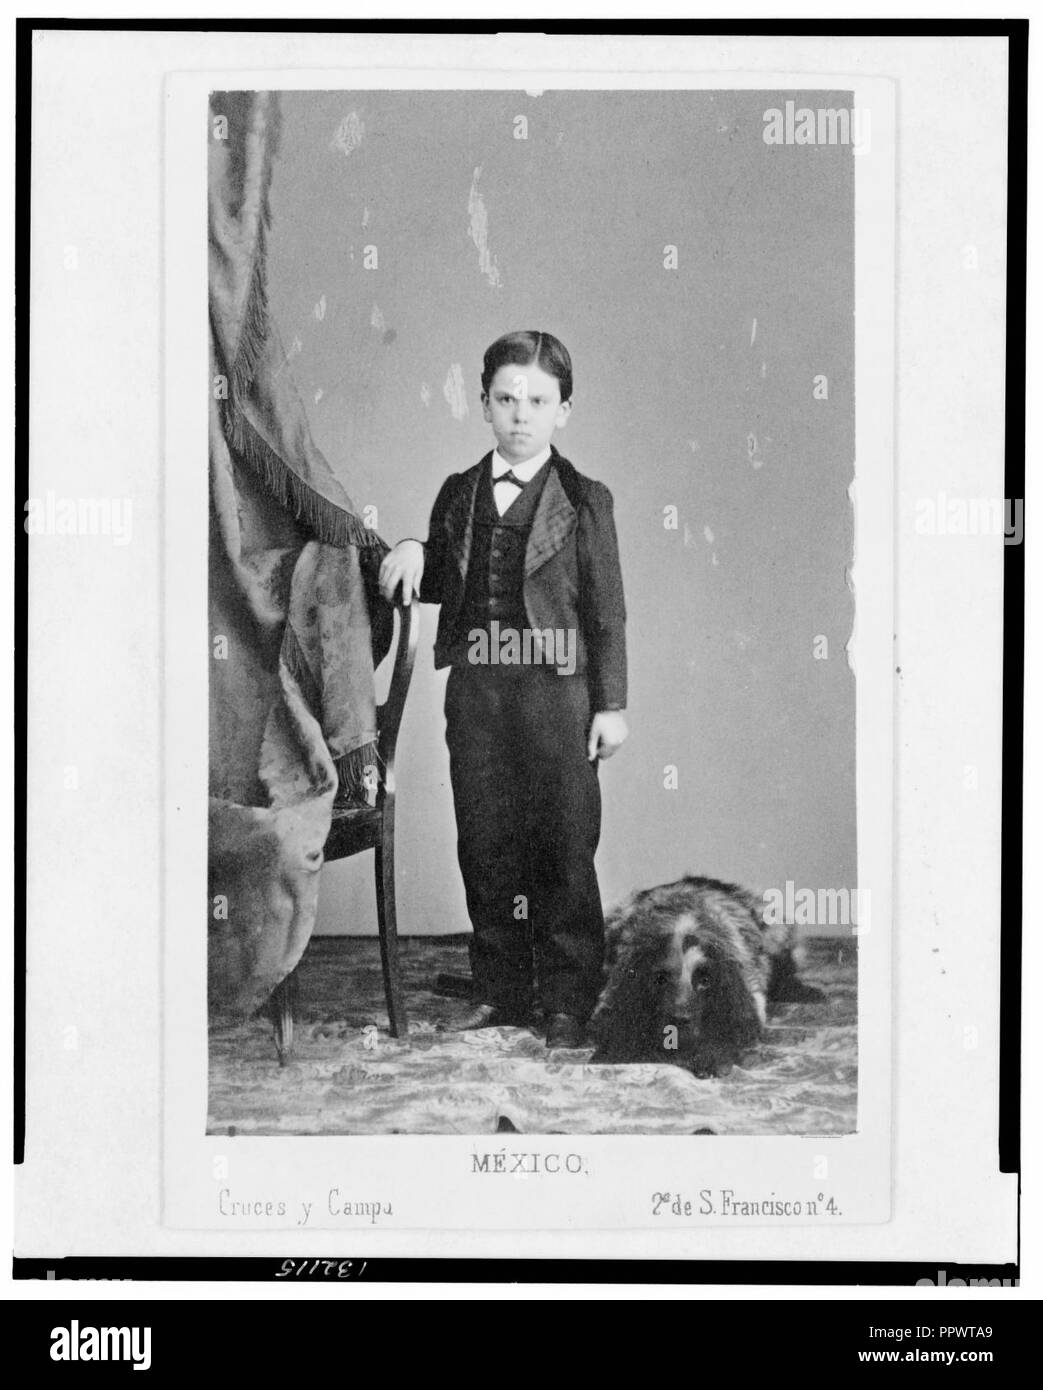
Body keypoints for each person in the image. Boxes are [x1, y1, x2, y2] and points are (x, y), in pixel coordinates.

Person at [379, 331, 628, 1048]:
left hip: (556, 695)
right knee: (486, 842)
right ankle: (500, 991)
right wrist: (410, 547)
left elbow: (606, 609)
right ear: (483, 404)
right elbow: (433, 575)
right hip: (478, 695)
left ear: (563, 411)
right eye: (506, 399)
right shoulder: (458, 493)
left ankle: (567, 998)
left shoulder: (584, 500)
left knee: (561, 842)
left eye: (538, 401)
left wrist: (611, 705)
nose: (521, 415)